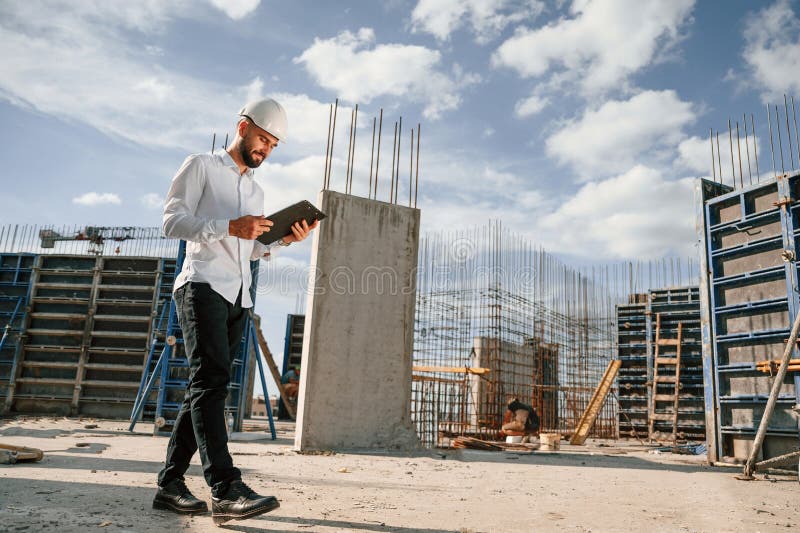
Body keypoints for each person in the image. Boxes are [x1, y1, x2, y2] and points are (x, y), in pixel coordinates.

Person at [152, 98, 318, 525]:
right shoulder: (201, 166)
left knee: (202, 388)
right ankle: (225, 487)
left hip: (238, 294)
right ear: (243, 128)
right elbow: (171, 221)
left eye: (274, 145)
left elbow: (250, 249)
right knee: (211, 383)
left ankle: (170, 485)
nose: (266, 149)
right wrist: (229, 226)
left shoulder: (256, 190)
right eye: (264, 139)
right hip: (202, 285)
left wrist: (283, 240)